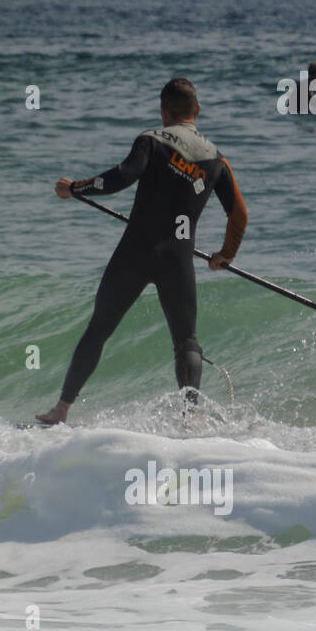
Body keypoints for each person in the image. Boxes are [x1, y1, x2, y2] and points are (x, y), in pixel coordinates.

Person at [35, 78, 247, 426]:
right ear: (197, 111)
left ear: (164, 112)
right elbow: (239, 214)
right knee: (187, 341)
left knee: (99, 329)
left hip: (135, 252)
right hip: (178, 259)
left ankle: (61, 410)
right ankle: (191, 415)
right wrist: (226, 253)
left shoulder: (151, 139)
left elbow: (120, 176)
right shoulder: (217, 160)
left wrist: (75, 188)